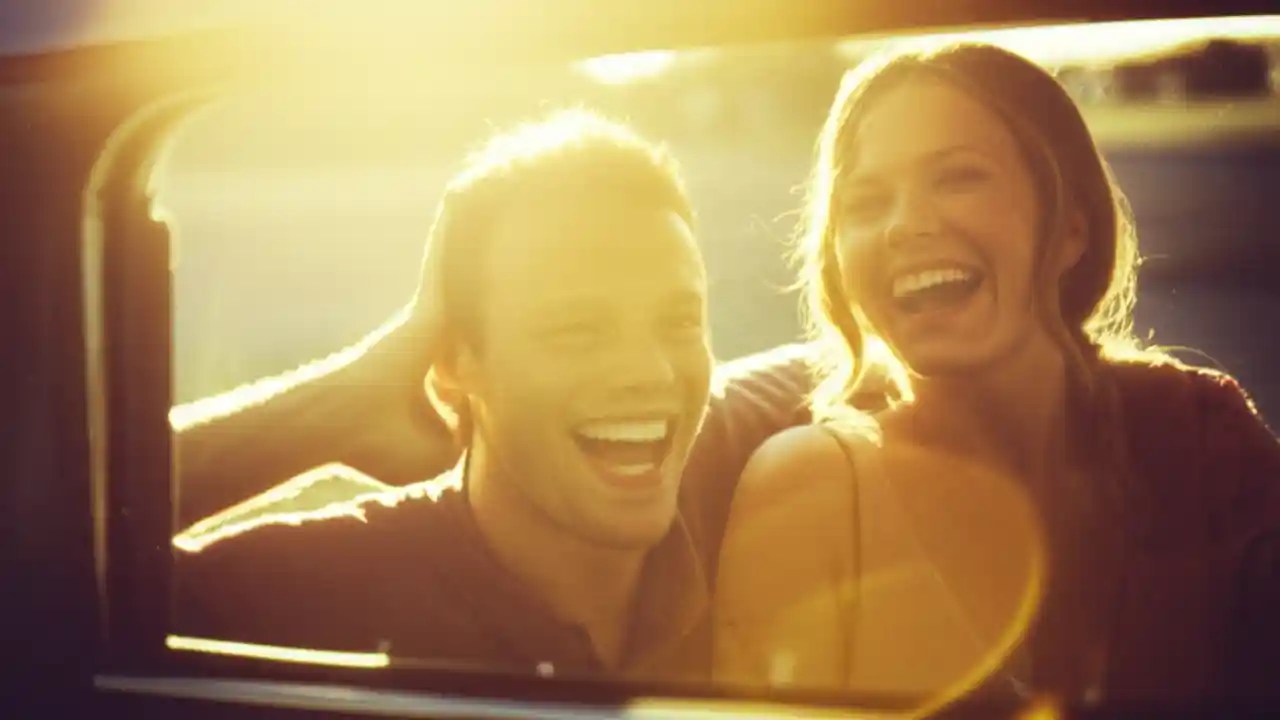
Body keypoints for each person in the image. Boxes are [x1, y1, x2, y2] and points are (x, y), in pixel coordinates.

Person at [712, 41, 1280, 709]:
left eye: (958, 177)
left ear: (1070, 230)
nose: (905, 225)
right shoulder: (812, 490)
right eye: (865, 201)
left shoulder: (1199, 431)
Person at [173, 110, 811, 680]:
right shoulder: (318, 591)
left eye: (679, 321)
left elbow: (861, 353)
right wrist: (340, 407)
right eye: (577, 330)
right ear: (454, 363)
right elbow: (102, 551)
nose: (651, 372)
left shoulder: (739, 455)